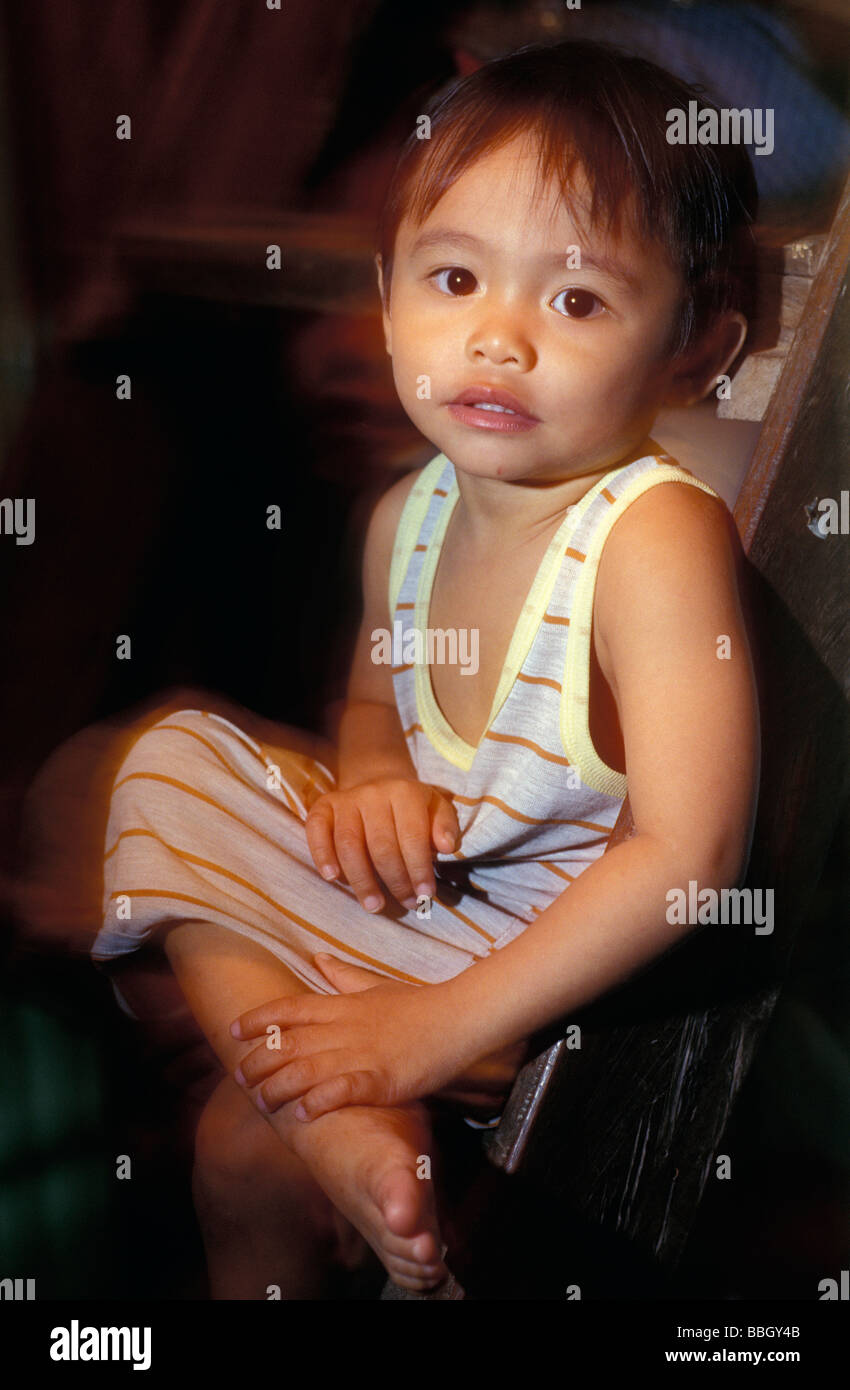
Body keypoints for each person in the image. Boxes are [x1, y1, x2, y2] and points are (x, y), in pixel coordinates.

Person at [92, 40, 761, 1296]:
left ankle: (330, 1087)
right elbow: (367, 697)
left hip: (557, 983)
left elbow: (690, 856)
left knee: (238, 1144)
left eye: (575, 300)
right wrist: (372, 774)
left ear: (691, 345)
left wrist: (439, 1027)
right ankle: (327, 1099)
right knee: (170, 759)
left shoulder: (648, 536)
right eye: (454, 278)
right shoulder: (406, 515)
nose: (497, 339)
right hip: (420, 925)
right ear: (390, 300)